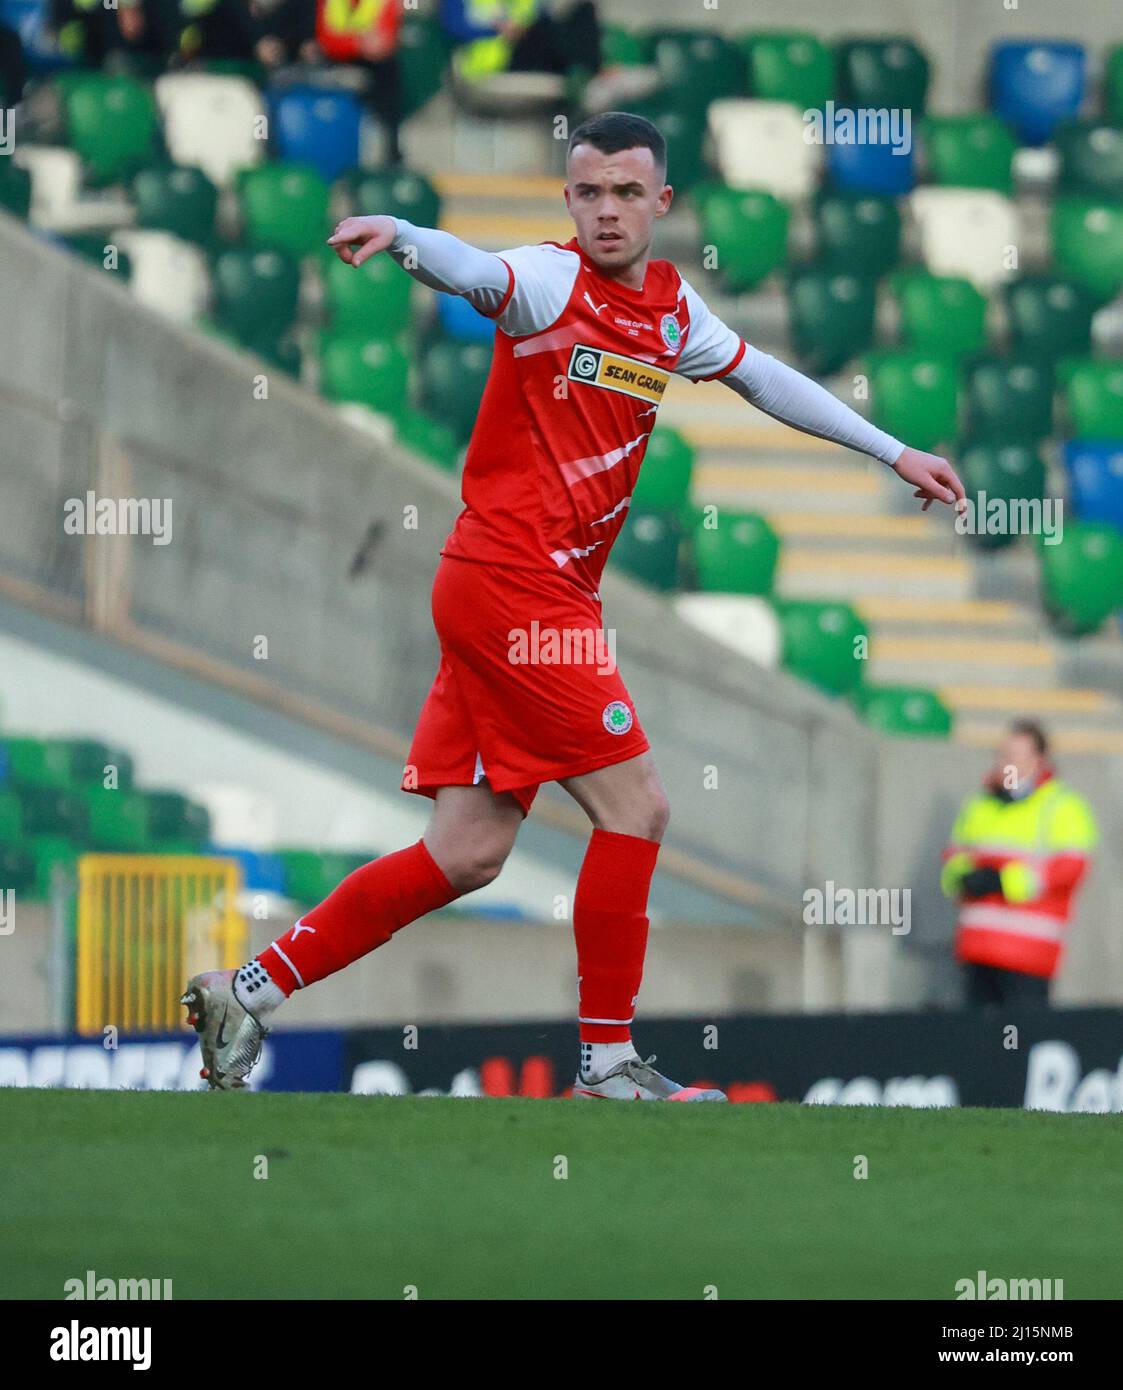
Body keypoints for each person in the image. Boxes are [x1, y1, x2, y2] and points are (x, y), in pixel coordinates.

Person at [182, 111, 965, 1100]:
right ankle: (605, 1063)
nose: (605, 211)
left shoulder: (673, 314)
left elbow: (765, 379)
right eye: (588, 192)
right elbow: (475, 272)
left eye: (626, 193)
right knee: (637, 806)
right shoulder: (550, 286)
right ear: (567, 200)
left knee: (465, 853)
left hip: (505, 586)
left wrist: (892, 450)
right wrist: (409, 238)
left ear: (661, 204)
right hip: (517, 584)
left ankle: (248, 989)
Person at [941, 719, 1098, 1008]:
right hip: (977, 947)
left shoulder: (1061, 806)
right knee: (978, 1042)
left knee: (1017, 1039)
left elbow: (1069, 868)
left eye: (1015, 755)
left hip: (1027, 952)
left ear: (1038, 759)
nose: (1005, 762)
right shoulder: (979, 803)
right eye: (1002, 754)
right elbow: (954, 857)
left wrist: (1003, 881)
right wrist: (965, 878)